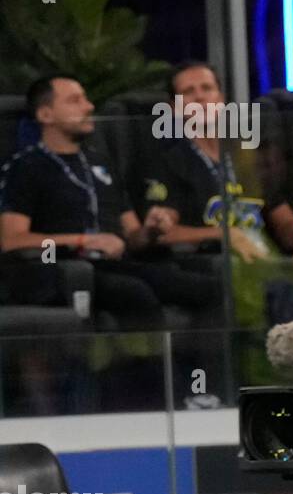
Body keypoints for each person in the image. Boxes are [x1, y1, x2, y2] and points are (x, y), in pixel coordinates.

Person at [0, 75, 216, 329]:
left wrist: (152, 229)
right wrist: (82, 241)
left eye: (86, 99)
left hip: (119, 263)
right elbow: (12, 240)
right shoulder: (26, 166)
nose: (89, 106)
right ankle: (145, 367)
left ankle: (208, 366)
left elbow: (133, 235)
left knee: (208, 288)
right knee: (134, 293)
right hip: (64, 266)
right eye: (74, 101)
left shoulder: (101, 163)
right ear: (46, 115)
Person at [136, 60, 293, 263]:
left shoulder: (248, 153)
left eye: (207, 88)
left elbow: (283, 219)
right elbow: (164, 233)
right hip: (210, 267)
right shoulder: (165, 159)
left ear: (221, 99)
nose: (200, 97)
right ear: (173, 108)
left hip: (266, 263)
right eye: (188, 92)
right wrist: (224, 235)